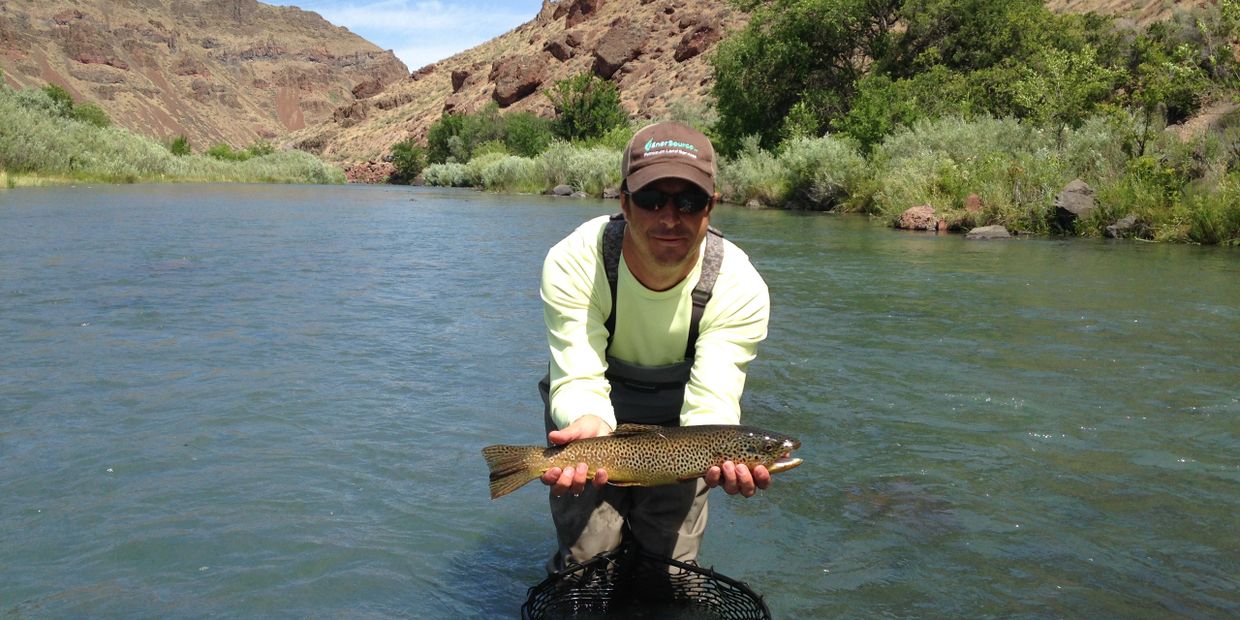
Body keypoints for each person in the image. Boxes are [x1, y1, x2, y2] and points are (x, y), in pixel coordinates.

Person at [536, 121, 771, 571]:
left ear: (711, 207)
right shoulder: (573, 261)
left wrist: (721, 456)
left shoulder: (740, 286)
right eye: (649, 199)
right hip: (588, 422)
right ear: (623, 202)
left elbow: (711, 405)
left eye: (688, 201)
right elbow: (578, 375)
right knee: (588, 559)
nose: (669, 218)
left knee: (671, 570)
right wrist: (587, 426)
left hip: (681, 435)